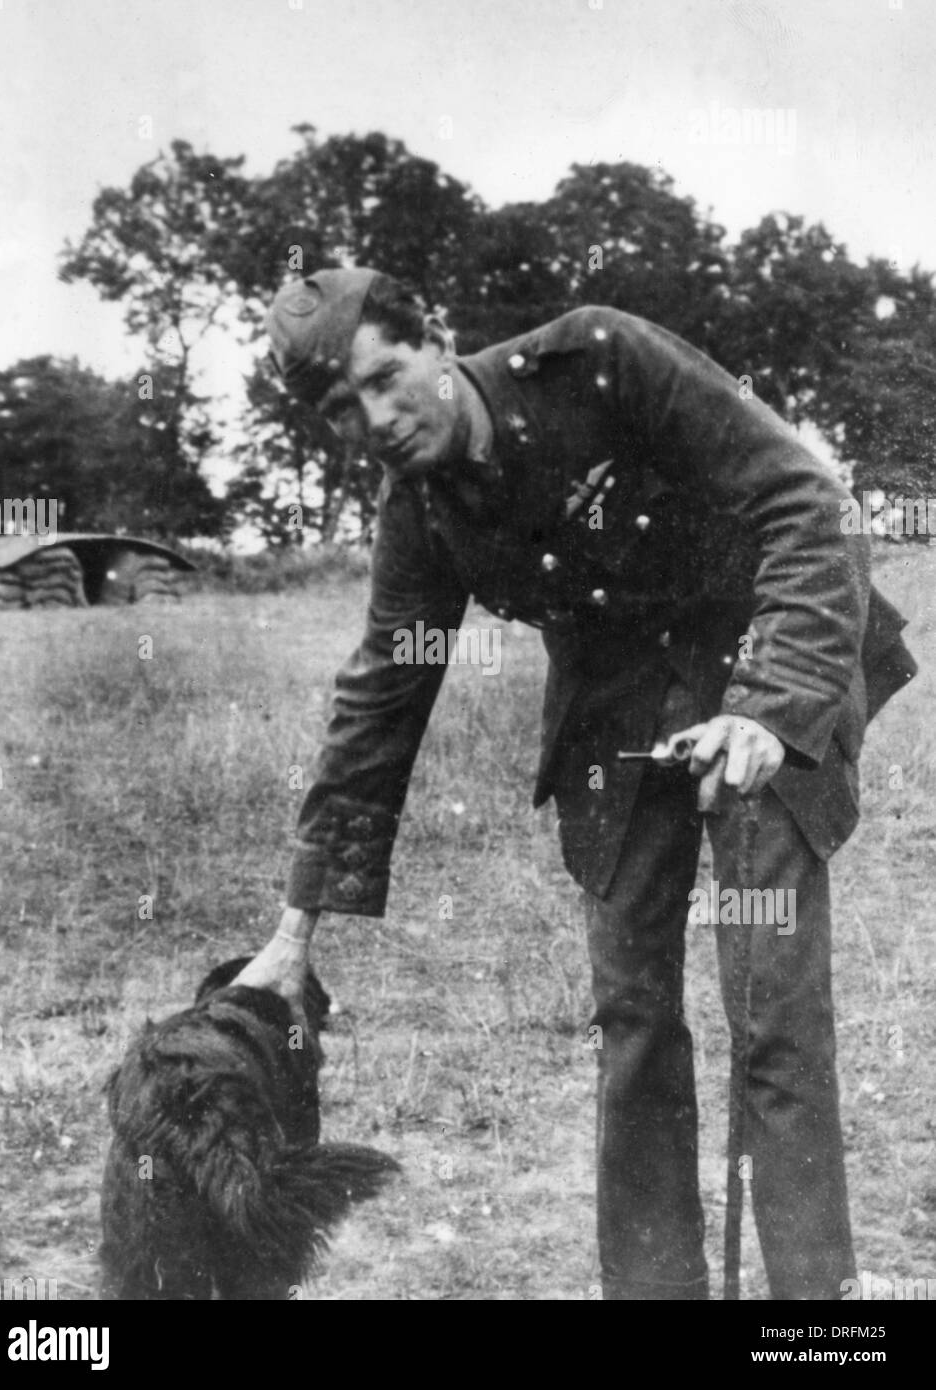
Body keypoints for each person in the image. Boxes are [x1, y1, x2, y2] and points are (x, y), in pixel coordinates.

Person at [234, 267, 916, 1300]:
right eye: (342, 407)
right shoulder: (420, 508)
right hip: (620, 717)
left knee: (771, 1012)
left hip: (765, 661)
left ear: (435, 340)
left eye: (383, 378)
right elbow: (383, 695)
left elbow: (808, 503)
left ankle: (819, 1311)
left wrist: (768, 709)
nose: (374, 418)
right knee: (632, 1016)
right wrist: (295, 930)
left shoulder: (598, 358)